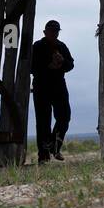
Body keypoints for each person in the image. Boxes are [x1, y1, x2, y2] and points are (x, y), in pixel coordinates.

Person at [31, 19, 74, 163]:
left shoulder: (62, 46)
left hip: (58, 86)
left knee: (64, 116)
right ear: (45, 32)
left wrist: (62, 62)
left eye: (56, 32)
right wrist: (48, 66)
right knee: (43, 121)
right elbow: (31, 67)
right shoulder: (37, 46)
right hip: (41, 87)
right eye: (51, 31)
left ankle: (54, 146)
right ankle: (43, 156)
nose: (54, 34)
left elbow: (70, 65)